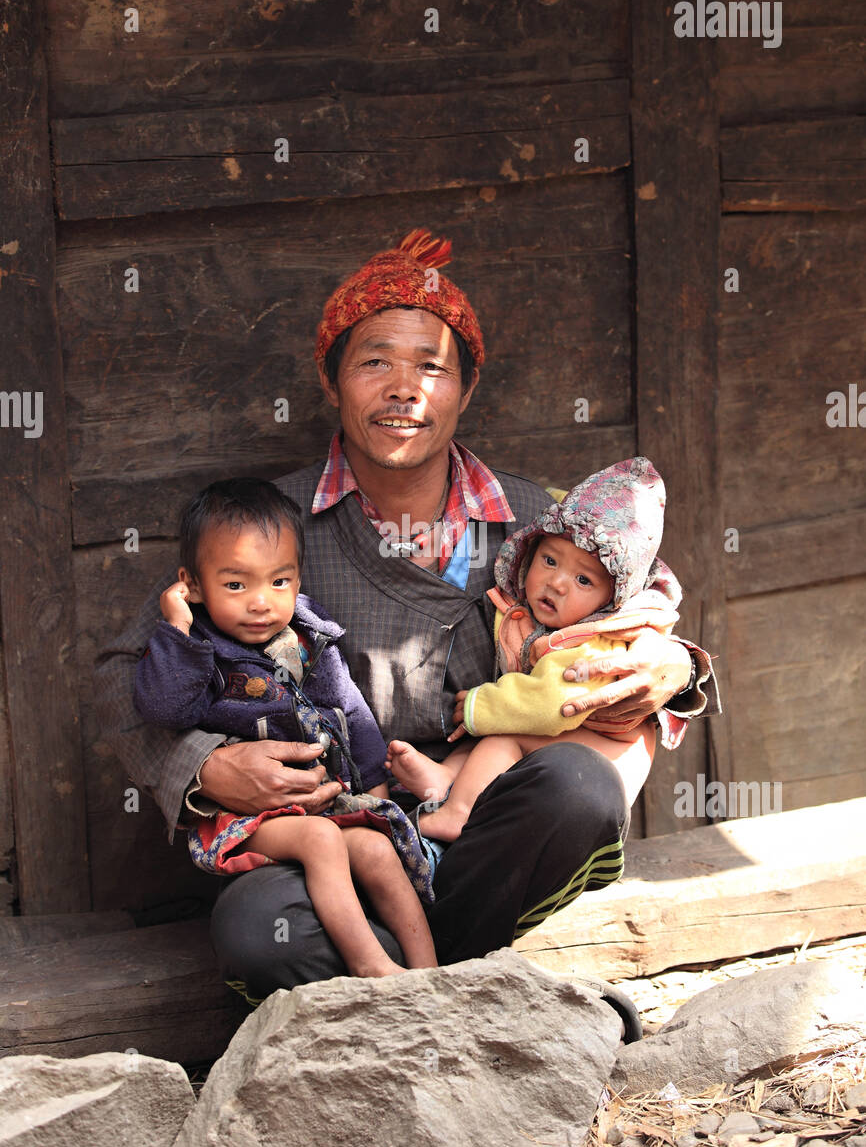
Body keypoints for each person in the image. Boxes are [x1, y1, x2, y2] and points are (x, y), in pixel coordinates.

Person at [94, 227, 719, 1008]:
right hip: (336, 837)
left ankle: (407, 988)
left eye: (432, 366)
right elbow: (123, 673)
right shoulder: (263, 529)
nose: (405, 387)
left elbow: (654, 621)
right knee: (260, 933)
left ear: (465, 389)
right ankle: (468, 991)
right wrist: (200, 767)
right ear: (332, 382)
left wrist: (674, 667)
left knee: (577, 788)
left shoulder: (544, 524)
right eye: (374, 361)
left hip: (480, 831)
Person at [132, 477, 437, 979]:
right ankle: (374, 970)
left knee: (378, 849)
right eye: (235, 585)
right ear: (192, 584)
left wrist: (376, 793)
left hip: (327, 803)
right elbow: (165, 708)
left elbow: (352, 712)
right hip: (248, 818)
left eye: (279, 581)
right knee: (319, 841)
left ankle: (432, 975)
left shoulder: (310, 639)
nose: (261, 602)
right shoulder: (200, 652)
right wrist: (178, 629)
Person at [386, 457, 682, 843]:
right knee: (497, 735)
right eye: (549, 560)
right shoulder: (548, 620)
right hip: (569, 740)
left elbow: (550, 702)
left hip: (599, 754)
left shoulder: (596, 640)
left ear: (614, 598)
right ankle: (448, 778)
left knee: (502, 734)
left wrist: (481, 707)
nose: (557, 583)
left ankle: (456, 813)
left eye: (582, 579)